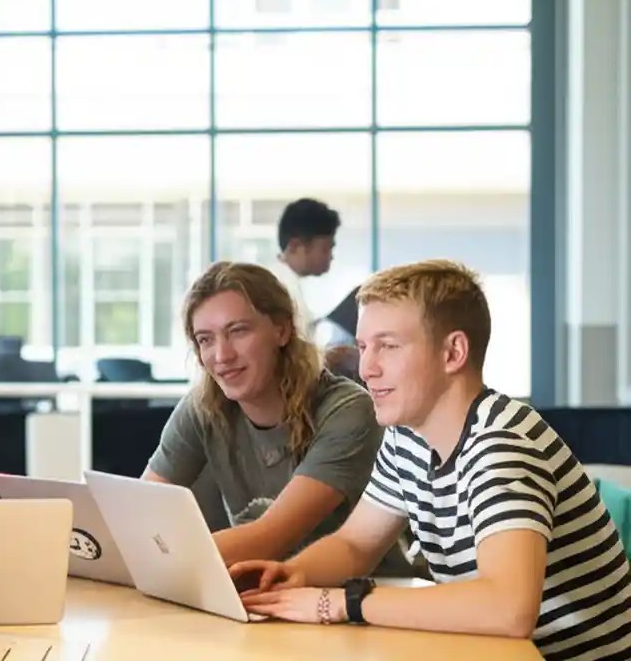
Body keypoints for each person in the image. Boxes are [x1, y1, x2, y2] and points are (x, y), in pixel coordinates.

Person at [233, 261, 631, 659]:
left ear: (453, 352)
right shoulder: (407, 435)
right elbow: (355, 544)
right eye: (364, 347)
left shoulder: (501, 444)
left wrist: (342, 603)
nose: (367, 369)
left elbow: (508, 609)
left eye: (388, 346)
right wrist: (295, 574)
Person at [144, 262, 412, 575]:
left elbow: (270, 539)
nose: (222, 355)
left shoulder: (347, 410)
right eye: (205, 339)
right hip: (262, 591)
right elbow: (142, 509)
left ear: (281, 330)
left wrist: (154, 552)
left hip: (364, 592)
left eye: (238, 331)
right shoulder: (204, 407)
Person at [271, 198, 341, 340]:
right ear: (295, 246)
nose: (331, 256)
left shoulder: (288, 283)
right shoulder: (280, 289)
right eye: (325, 249)